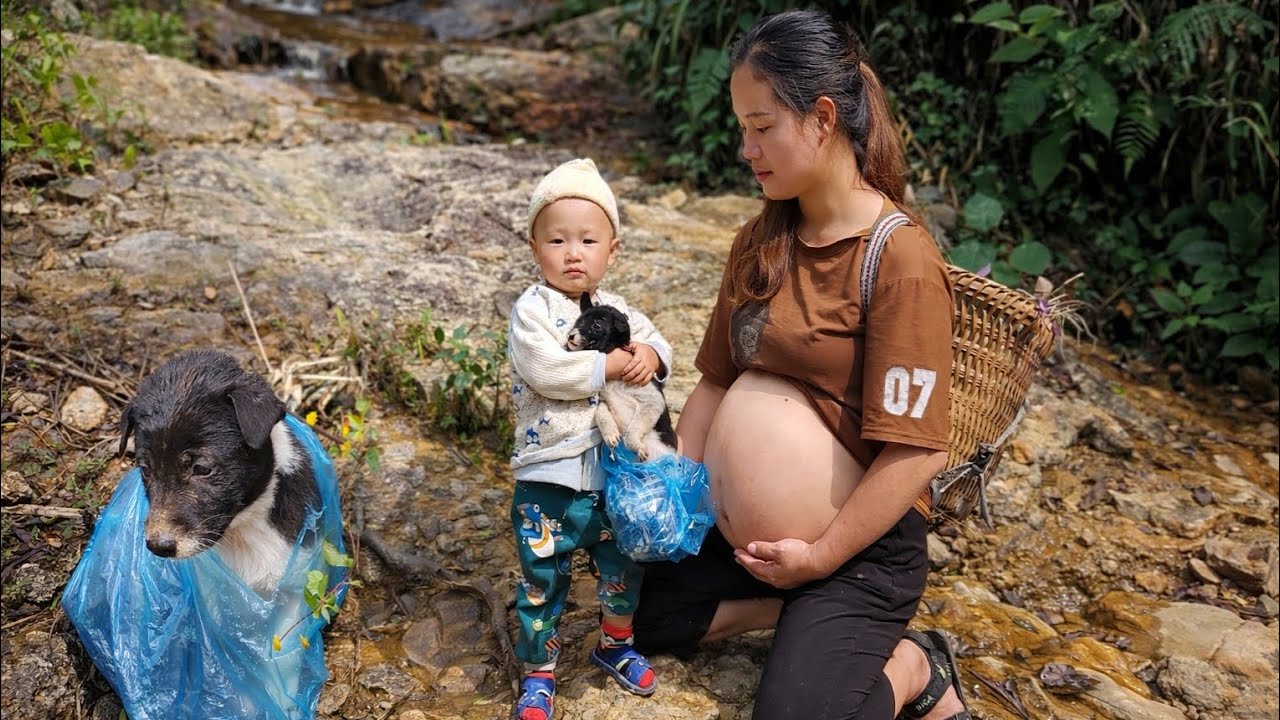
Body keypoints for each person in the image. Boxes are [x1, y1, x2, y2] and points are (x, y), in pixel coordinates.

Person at [632, 9, 972, 720]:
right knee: (628, 610)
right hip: (752, 550)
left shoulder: (899, 259)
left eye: (762, 127)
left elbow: (917, 453)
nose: (746, 149)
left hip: (856, 556)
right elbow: (717, 382)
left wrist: (818, 558)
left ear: (821, 118)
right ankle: (790, 618)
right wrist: (668, 497)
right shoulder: (759, 240)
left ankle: (913, 666)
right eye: (741, 128)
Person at [507, 157, 674, 720]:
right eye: (557, 240)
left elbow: (660, 346)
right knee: (542, 577)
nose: (573, 253)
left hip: (611, 473)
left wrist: (650, 355)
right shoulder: (532, 310)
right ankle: (538, 671)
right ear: (535, 247)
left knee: (622, 565)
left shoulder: (620, 310)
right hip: (548, 474)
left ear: (612, 250)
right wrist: (608, 366)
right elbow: (546, 370)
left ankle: (615, 644)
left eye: (588, 240)